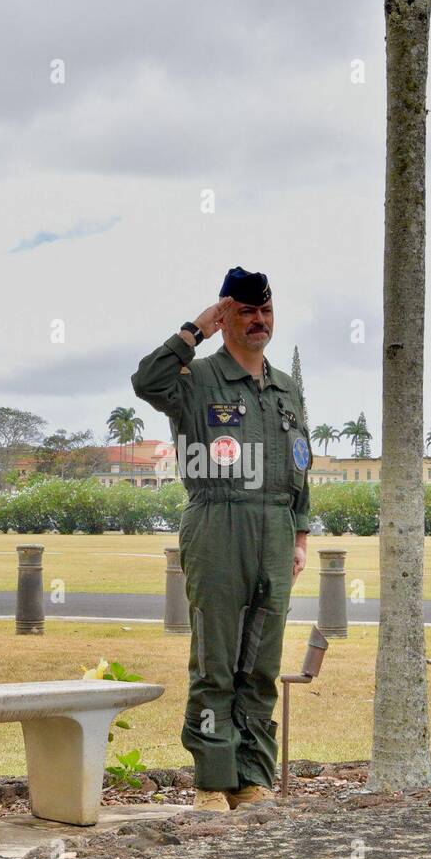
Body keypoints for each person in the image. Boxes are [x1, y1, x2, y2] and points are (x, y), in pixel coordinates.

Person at [131, 266, 310, 811]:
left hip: (276, 530)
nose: (259, 321)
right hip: (217, 522)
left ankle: (252, 778)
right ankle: (212, 780)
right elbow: (147, 382)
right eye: (247, 311)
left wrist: (300, 535)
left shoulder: (288, 387)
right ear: (226, 315)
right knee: (215, 659)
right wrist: (194, 330)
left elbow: (299, 463)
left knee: (260, 664)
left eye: (267, 311)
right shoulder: (197, 378)